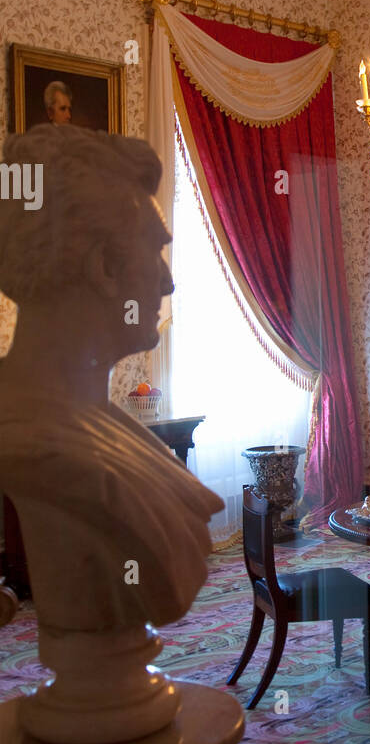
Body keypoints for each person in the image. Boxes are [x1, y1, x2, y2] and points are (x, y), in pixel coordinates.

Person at [0, 123, 223, 632]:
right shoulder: (34, 441)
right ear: (103, 267)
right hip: (94, 693)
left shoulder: (85, 419)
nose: (167, 281)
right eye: (156, 250)